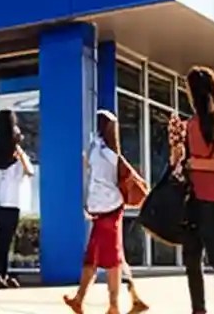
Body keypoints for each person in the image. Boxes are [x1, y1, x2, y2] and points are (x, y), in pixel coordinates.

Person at [168, 66, 214, 314]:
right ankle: (198, 310)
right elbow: (176, 163)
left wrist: (192, 162)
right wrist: (176, 144)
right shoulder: (190, 124)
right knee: (191, 259)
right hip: (193, 198)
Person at [62, 110, 145, 314]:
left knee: (109, 258)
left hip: (101, 210)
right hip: (112, 208)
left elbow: (87, 164)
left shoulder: (94, 148)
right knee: (104, 256)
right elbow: (125, 176)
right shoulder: (113, 154)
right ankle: (121, 301)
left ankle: (111, 304)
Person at [0, 109, 33, 288]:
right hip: (10, 203)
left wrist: (19, 155)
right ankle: (0, 273)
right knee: (5, 241)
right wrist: (20, 155)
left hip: (2, 202)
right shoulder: (9, 154)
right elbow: (30, 171)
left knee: (3, 240)